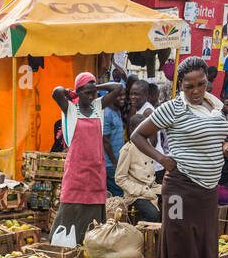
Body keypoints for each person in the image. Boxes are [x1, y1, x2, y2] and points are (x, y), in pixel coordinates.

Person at [131, 56, 228, 258]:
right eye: (189, 86)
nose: (196, 91)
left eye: (201, 84)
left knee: (205, 240)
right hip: (180, 189)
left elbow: (217, 138)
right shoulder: (172, 108)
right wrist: (162, 159)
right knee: (179, 238)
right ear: (180, 86)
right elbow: (137, 135)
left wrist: (226, 148)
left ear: (207, 81)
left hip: (208, 190)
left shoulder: (214, 106)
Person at [50, 71, 123, 247]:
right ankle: (64, 248)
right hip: (76, 170)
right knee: (69, 211)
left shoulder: (97, 106)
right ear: (78, 91)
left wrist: (95, 86)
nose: (91, 97)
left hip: (96, 170)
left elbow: (118, 88)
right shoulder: (70, 109)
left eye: (93, 93)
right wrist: (70, 92)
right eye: (87, 93)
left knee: (93, 216)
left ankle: (89, 249)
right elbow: (56, 92)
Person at [115, 122, 161, 222]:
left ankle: (170, 234)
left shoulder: (146, 145)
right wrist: (140, 190)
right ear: (132, 130)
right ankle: (142, 235)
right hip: (135, 194)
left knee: (175, 198)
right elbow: (120, 178)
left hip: (152, 188)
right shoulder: (127, 149)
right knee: (153, 214)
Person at [102, 85, 127, 197]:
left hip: (117, 162)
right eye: (119, 95)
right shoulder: (107, 113)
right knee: (117, 196)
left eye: (123, 94)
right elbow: (105, 141)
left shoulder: (117, 111)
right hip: (110, 164)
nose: (122, 98)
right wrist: (114, 162)